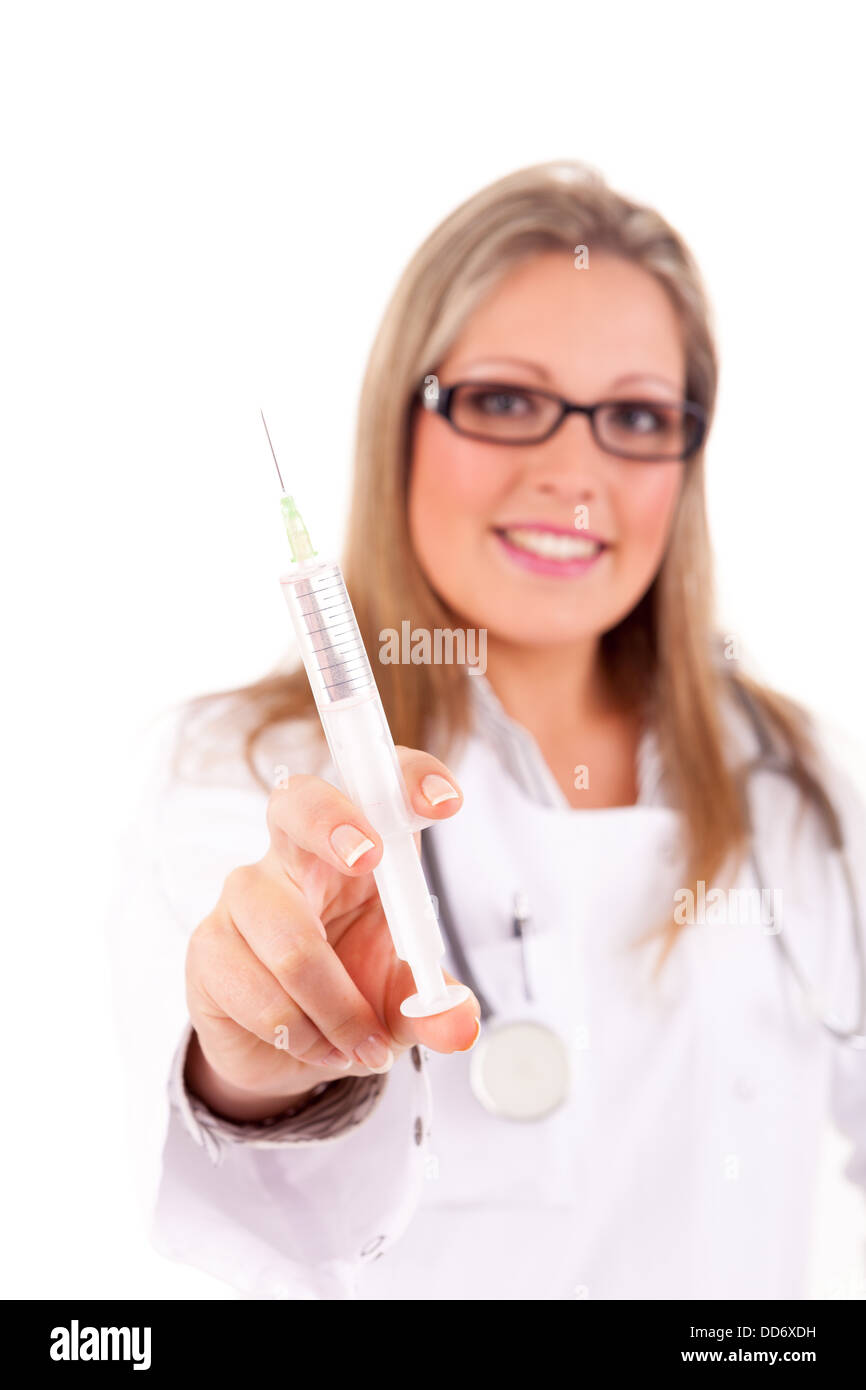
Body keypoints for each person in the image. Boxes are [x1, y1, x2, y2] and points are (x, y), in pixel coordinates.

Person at [110, 159, 866, 1301]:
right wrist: (268, 1069)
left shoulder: (796, 783)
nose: (572, 476)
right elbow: (262, 1211)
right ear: (397, 421)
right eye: (506, 400)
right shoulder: (244, 776)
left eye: (633, 415)